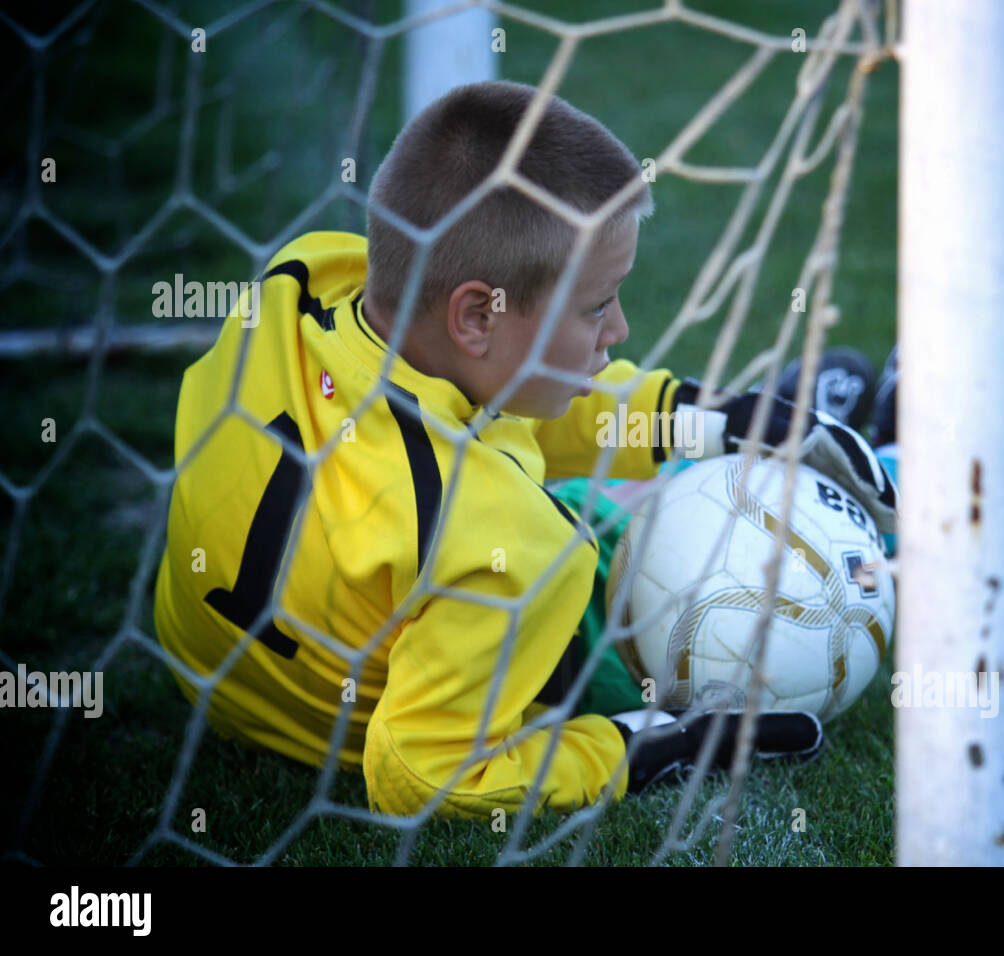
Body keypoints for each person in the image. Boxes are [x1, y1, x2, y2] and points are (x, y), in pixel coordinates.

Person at [153, 81, 897, 818]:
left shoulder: (302, 280)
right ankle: (894, 481)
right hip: (431, 674)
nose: (621, 329)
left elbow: (523, 394)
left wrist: (722, 417)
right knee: (680, 565)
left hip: (216, 673)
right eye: (599, 305)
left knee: (574, 459)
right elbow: (418, 773)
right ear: (478, 314)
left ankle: (775, 431)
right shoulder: (507, 547)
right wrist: (651, 743)